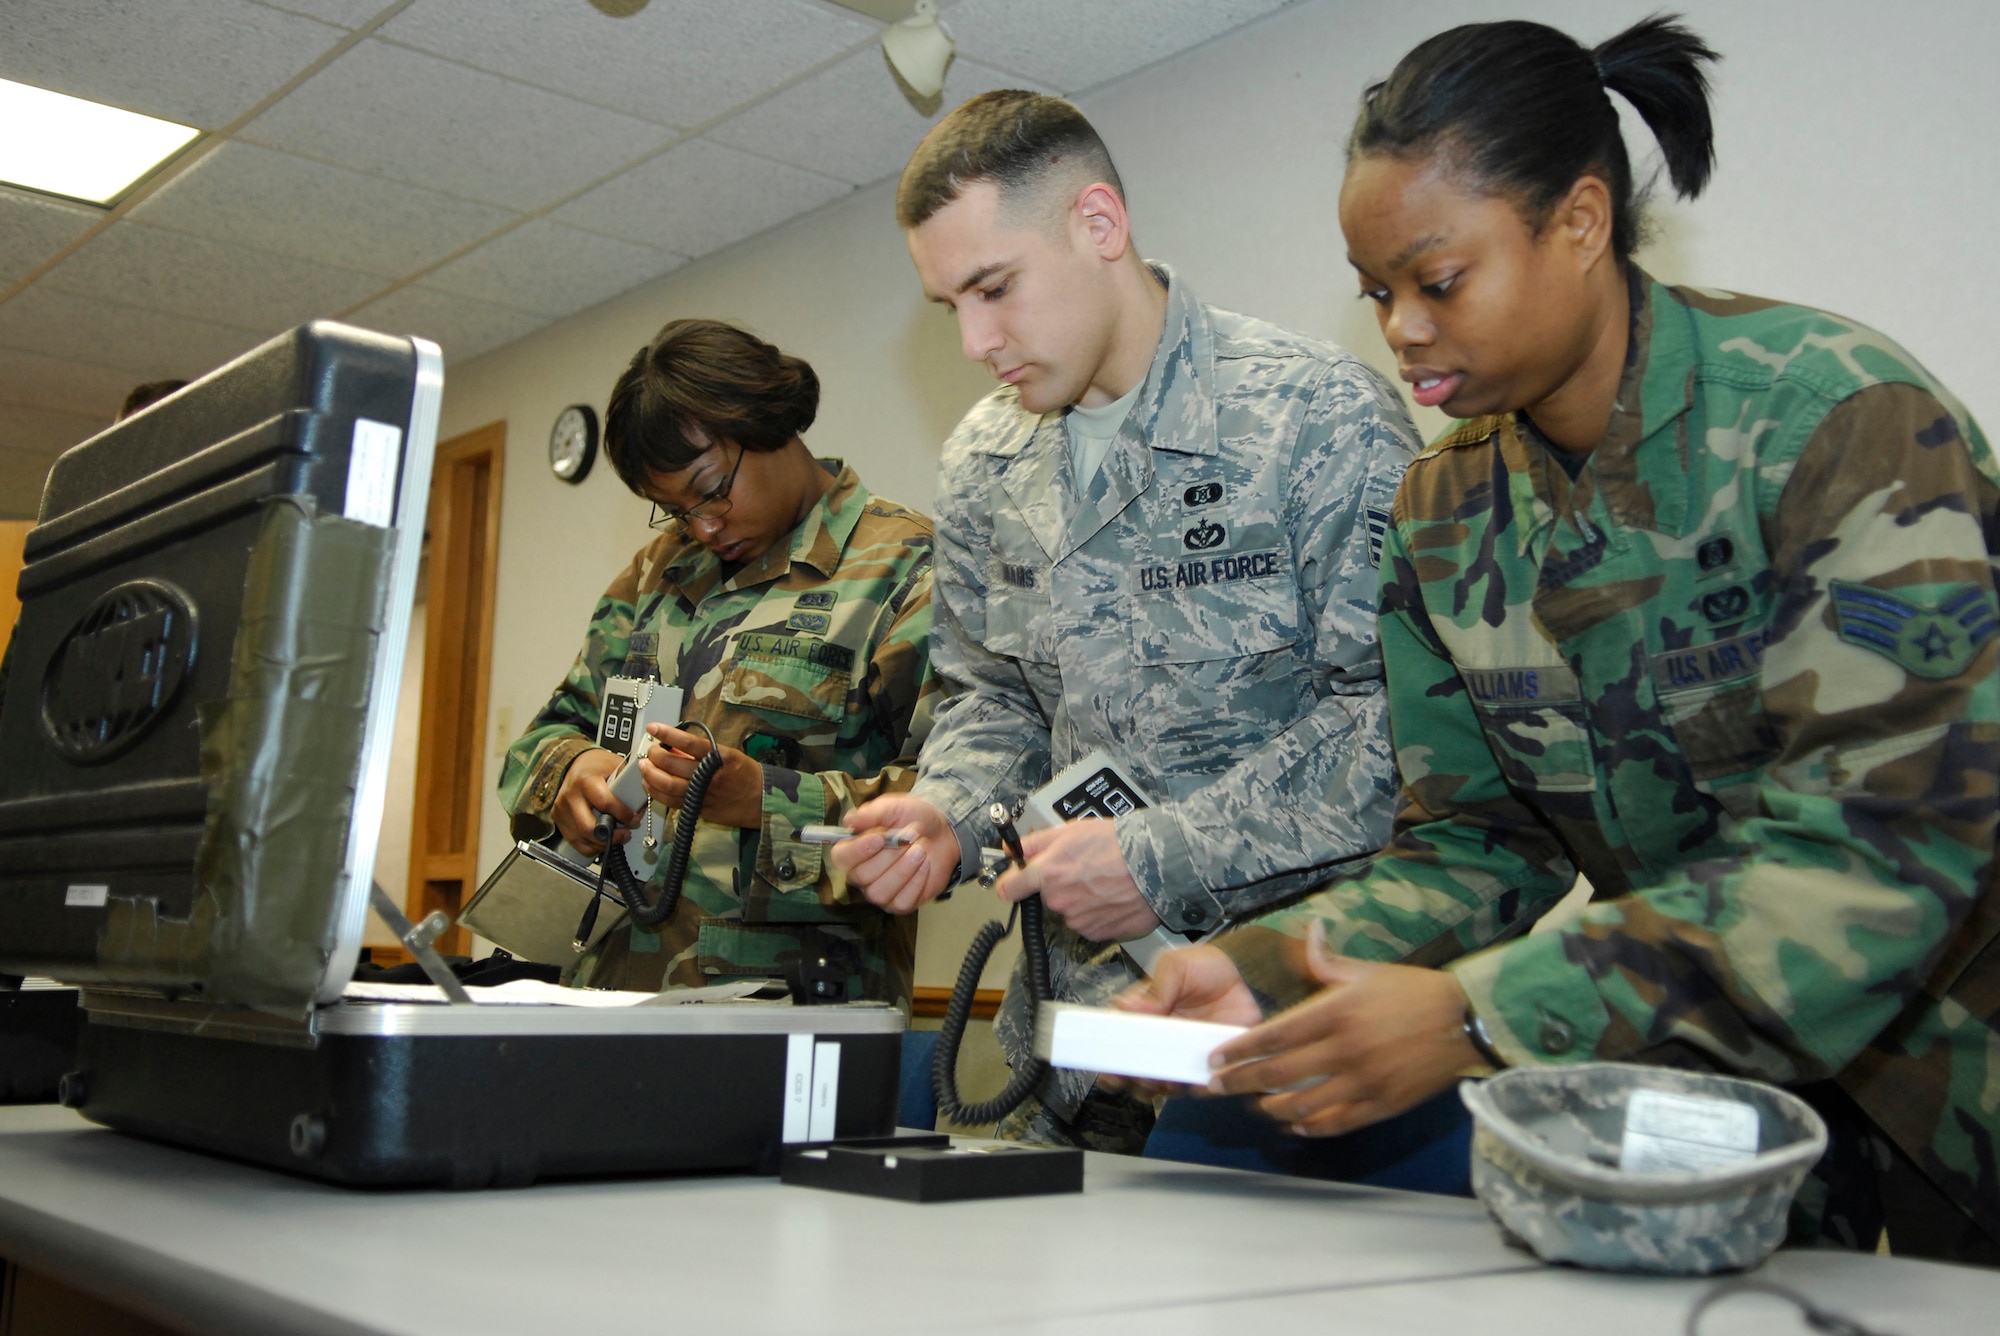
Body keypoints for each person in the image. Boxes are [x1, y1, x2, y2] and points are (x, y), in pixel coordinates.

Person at [1121, 16, 2000, 1261]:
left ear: (1578, 222)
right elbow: (1481, 844)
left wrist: (1485, 1015)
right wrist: (1267, 974)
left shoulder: (1836, 421)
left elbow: (1881, 846)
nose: (1402, 331)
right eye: (1378, 293)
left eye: (1437, 281)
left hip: (1961, 1077)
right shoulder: (1441, 511)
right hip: (1729, 1128)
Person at [831, 91, 1421, 1152]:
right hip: (1066, 1047)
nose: (973, 340)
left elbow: (1392, 730)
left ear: (1097, 226)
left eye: (993, 289)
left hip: (1275, 1041)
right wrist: (945, 815)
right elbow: (993, 697)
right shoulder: (983, 460)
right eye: (948, 307)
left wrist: (1155, 854)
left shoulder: (1315, 416)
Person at [498, 319, 937, 1003]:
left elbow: (957, 809)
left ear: (771, 424)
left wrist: (764, 800)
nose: (701, 526)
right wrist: (572, 771)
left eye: (709, 489)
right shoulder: (657, 572)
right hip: (609, 994)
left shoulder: (906, 570)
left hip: (785, 1012)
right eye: (672, 509)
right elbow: (549, 732)